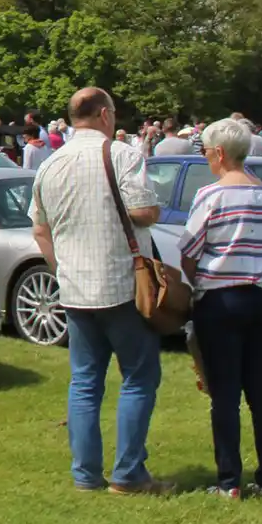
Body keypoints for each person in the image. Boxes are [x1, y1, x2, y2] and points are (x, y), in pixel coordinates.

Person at [29, 87, 170, 495]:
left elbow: (40, 230)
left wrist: (63, 270)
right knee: (139, 377)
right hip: (123, 285)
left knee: (85, 382)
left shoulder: (50, 164)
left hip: (75, 289)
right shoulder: (122, 154)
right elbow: (143, 212)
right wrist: (154, 210)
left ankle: (85, 475)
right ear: (105, 115)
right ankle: (129, 474)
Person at [180, 118, 262, 500]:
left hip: (222, 299)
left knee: (224, 394)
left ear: (219, 154)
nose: (206, 158)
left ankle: (229, 482)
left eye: (206, 151)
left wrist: (195, 283)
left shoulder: (211, 196)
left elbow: (189, 251)